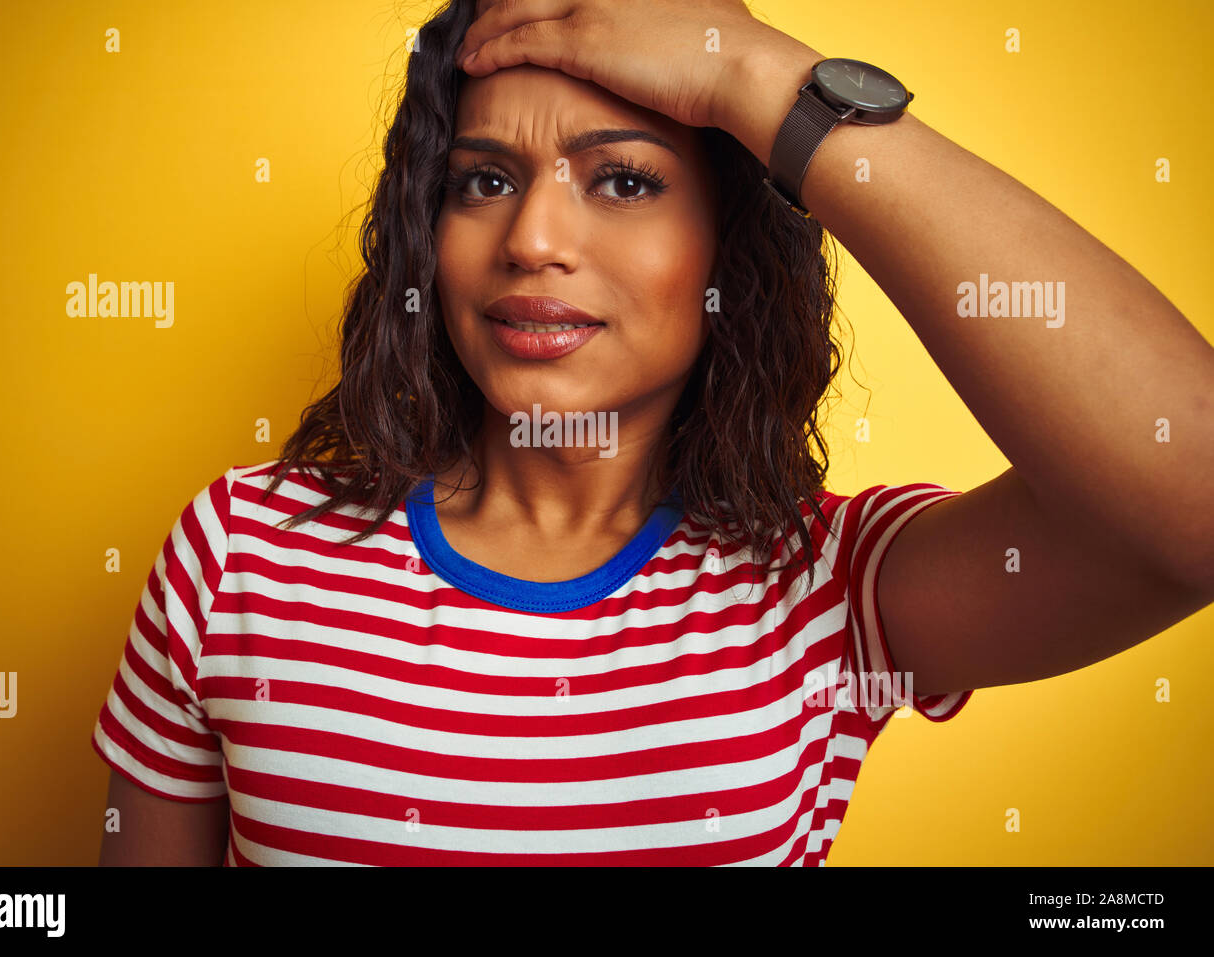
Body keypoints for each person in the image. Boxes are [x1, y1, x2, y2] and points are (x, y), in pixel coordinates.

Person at [92, 0, 1214, 865]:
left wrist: (757, 76)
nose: (531, 237)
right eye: (481, 180)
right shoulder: (238, 553)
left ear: (727, 251)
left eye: (622, 180)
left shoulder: (831, 591)